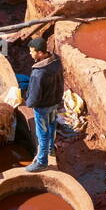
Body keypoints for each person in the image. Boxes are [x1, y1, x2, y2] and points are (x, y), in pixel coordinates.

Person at [24, 35, 64, 172]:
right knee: (52, 126)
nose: (30, 53)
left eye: (32, 51)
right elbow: (61, 81)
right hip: (54, 102)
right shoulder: (56, 61)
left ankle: (41, 162)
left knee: (42, 133)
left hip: (42, 108)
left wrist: (28, 102)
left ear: (40, 53)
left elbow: (34, 98)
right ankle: (51, 149)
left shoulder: (39, 73)